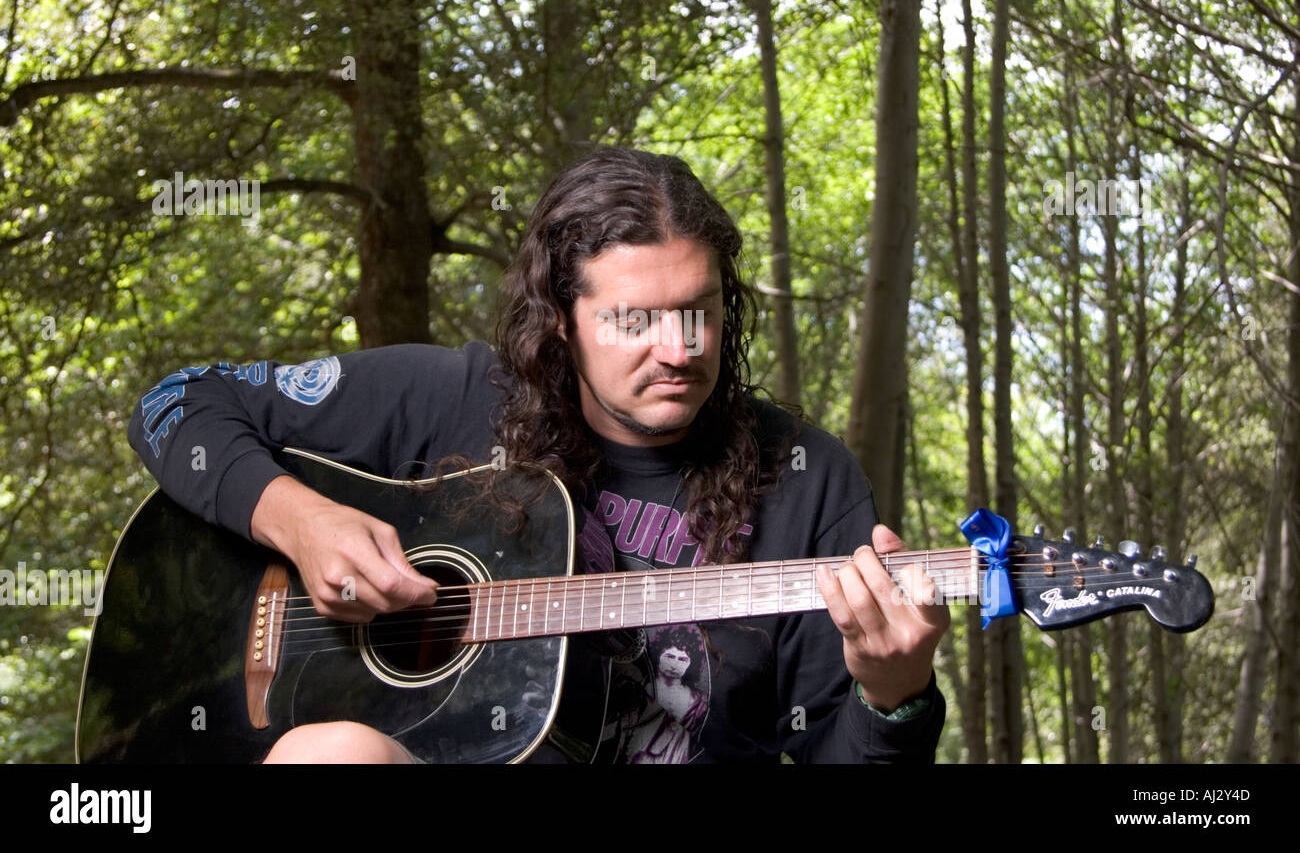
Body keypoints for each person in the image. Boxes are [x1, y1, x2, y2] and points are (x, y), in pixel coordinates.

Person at [128, 146, 949, 763]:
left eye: (699, 312)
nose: (679, 349)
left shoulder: (808, 480)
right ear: (561, 317)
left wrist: (894, 692)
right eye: (636, 321)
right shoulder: (451, 397)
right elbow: (174, 406)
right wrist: (299, 521)